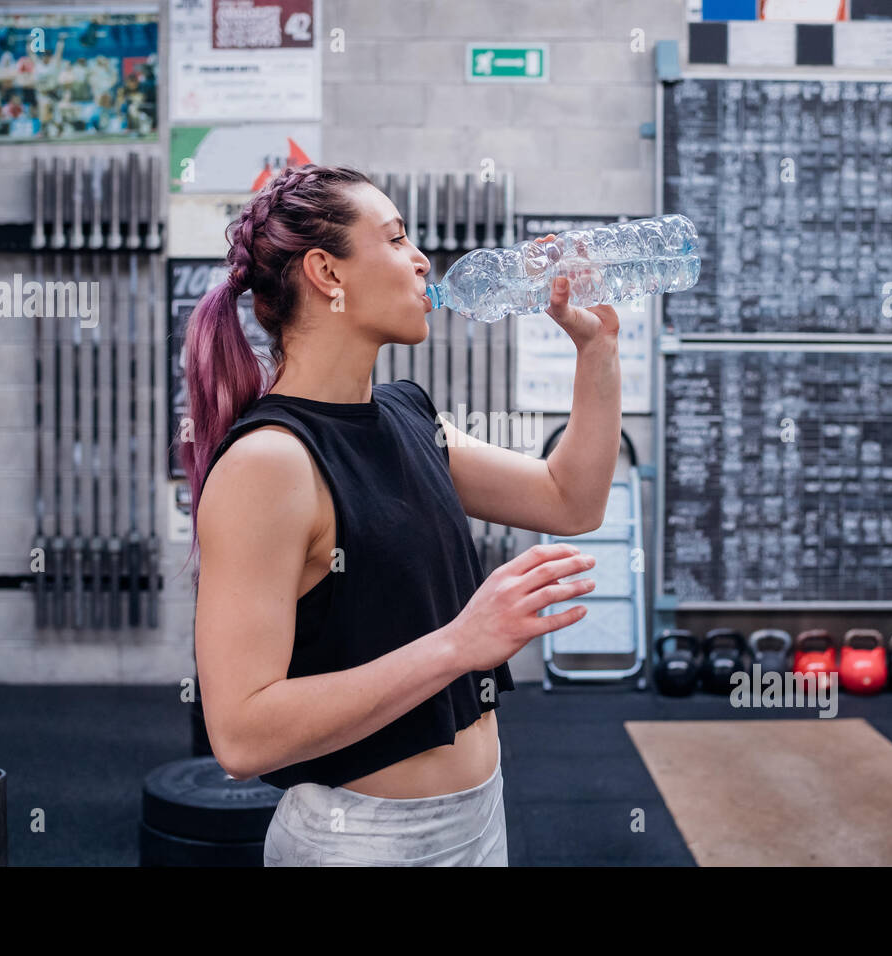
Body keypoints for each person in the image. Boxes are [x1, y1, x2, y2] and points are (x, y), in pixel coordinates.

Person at [182, 164, 622, 866]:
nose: (422, 260)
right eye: (395, 239)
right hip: (363, 842)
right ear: (327, 272)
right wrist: (460, 643)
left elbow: (571, 500)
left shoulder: (408, 416)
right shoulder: (270, 463)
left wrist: (597, 350)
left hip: (480, 817)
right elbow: (240, 735)